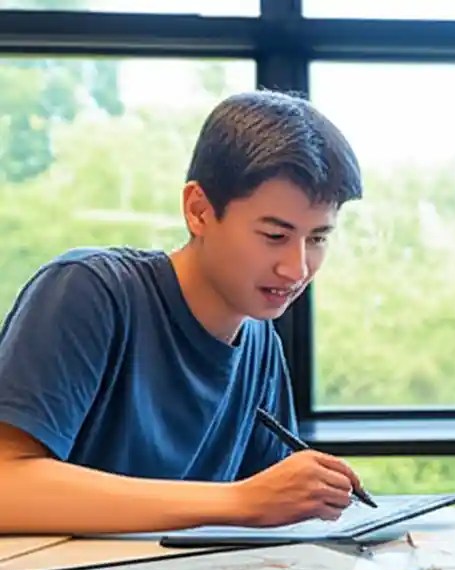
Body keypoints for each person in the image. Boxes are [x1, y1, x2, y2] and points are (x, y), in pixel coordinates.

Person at [0, 90, 369, 535]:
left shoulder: (259, 341)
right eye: (274, 235)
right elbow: (7, 483)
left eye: (318, 239)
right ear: (198, 210)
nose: (296, 268)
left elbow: (269, 515)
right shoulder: (90, 290)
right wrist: (239, 500)